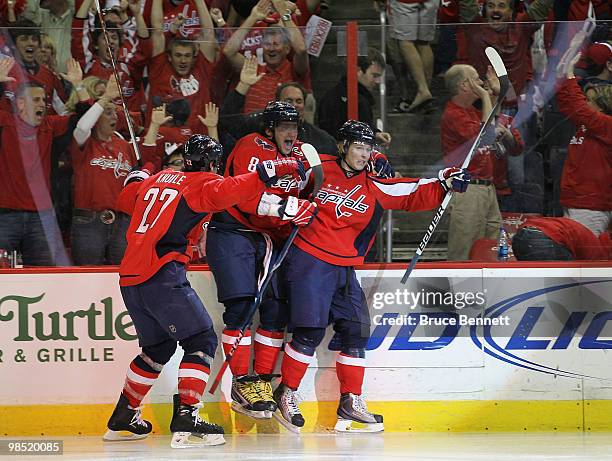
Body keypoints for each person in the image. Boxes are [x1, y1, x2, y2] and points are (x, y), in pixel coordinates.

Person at [105, 134, 306, 448]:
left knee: (157, 350)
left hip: (131, 278)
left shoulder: (156, 179)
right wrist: (277, 168)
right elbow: (234, 189)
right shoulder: (200, 184)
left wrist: (140, 172)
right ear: (213, 162)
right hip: (162, 273)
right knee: (201, 339)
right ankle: (188, 417)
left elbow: (125, 196)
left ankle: (124, 416)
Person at [273, 120, 470, 432]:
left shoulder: (373, 186)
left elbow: (410, 191)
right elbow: (278, 188)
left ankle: (350, 401)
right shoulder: (318, 168)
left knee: (356, 330)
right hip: (309, 259)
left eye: (369, 148)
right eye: (359, 147)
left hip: (346, 266)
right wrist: (289, 205)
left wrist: (445, 182)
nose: (364, 154)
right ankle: (286, 393)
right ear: (343, 146)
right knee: (309, 331)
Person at [205, 101, 318, 419]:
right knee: (241, 307)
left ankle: (263, 381)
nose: (291, 133)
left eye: (294, 128)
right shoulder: (251, 147)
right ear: (269, 129)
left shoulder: (298, 154)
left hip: (269, 238)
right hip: (233, 230)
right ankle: (243, 381)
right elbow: (246, 195)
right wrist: (291, 210)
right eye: (284, 127)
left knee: (275, 308)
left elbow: (313, 189)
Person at [0, 56, 89, 266]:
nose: (44, 104)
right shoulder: (5, 122)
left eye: (44, 100)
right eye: (37, 100)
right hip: (4, 215)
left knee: (44, 273)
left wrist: (78, 85)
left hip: (42, 217)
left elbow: (85, 119)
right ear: (20, 103)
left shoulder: (51, 126)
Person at [441, 63, 523, 260]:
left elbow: (515, 145)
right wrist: (487, 97)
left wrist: (496, 95)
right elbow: (485, 136)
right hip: (467, 190)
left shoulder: (473, 113)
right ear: (464, 85)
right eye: (476, 79)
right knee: (464, 254)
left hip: (487, 189)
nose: (481, 82)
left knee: (490, 252)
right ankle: (457, 292)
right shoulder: (453, 114)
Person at [220, 56, 337, 154]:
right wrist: (243, 85)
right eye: (289, 101)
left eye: (299, 101)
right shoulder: (259, 125)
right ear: (277, 103)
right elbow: (227, 122)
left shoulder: (321, 140)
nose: (294, 105)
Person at [556, 45, 612, 235]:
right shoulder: (586, 124)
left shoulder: (607, 125)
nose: (585, 104)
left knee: (585, 260)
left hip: (592, 206)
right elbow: (568, 105)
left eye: (589, 101)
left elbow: (580, 109)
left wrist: (571, 77)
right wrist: (563, 75)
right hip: (573, 200)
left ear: (603, 106)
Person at [222, 0, 311, 114]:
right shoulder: (253, 69)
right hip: (252, 129)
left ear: (287, 49)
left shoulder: (294, 70)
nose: (271, 49)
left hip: (284, 127)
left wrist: (284, 13)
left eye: (276, 44)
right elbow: (229, 51)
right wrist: (253, 17)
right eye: (267, 44)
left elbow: (301, 49)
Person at [147, 0, 218, 129]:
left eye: (187, 56)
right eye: (178, 55)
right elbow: (157, 31)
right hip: (163, 141)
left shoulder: (202, 69)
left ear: (194, 56)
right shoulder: (159, 69)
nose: (183, 61)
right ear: (169, 57)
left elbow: (209, 34)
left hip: (196, 142)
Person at [318, 47, 392, 147]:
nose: (377, 81)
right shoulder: (339, 98)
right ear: (358, 71)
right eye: (374, 75)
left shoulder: (357, 97)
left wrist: (375, 133)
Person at [387, 0, 438, 113]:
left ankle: (423, 90)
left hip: (405, 2)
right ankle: (425, 93)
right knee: (423, 42)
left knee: (405, 42)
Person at [512, 217, 611, 261]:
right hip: (543, 239)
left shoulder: (590, 240)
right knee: (569, 287)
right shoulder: (599, 255)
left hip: (522, 234)